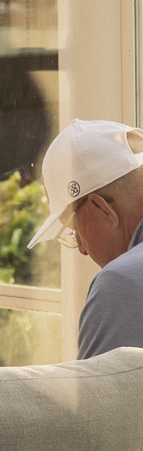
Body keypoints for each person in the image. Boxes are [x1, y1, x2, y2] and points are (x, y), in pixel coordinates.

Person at [28, 118, 143, 358]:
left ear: (101, 209)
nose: (82, 249)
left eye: (74, 229)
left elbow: (100, 396)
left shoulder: (122, 282)